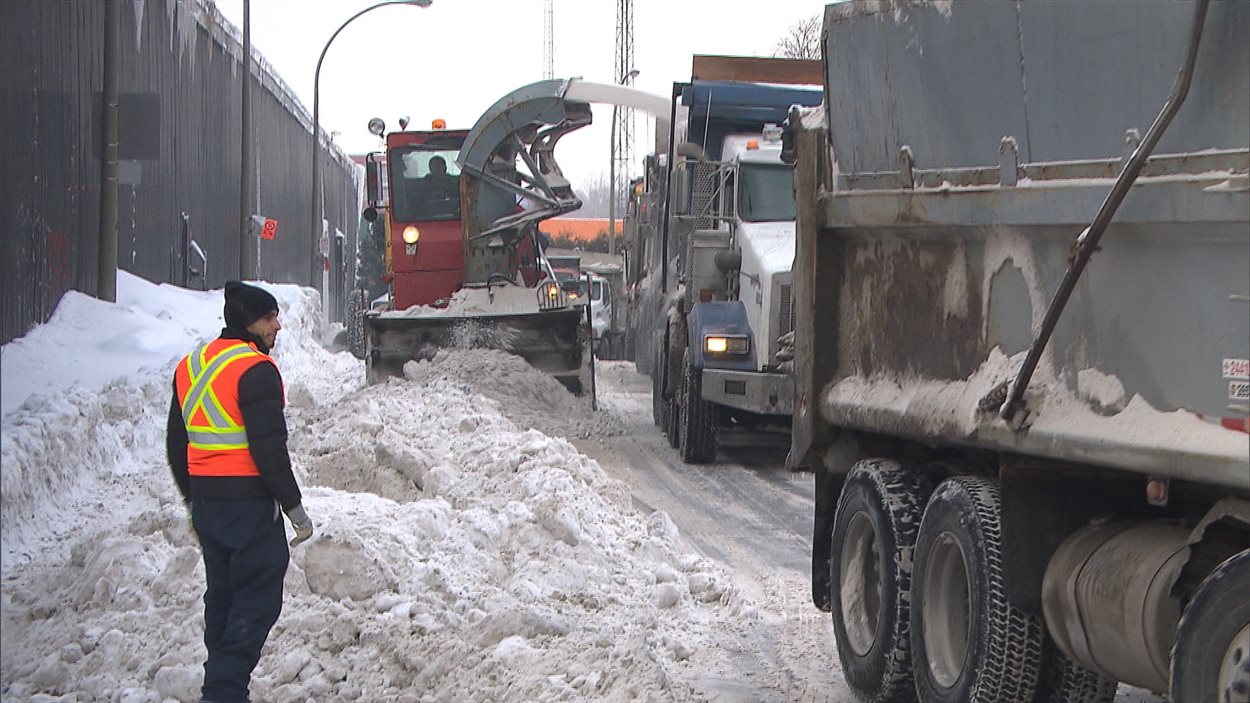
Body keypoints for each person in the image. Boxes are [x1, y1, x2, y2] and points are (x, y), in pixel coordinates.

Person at [166, 280, 314, 703]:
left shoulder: (190, 366)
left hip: (209, 507)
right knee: (258, 598)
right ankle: (224, 691)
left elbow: (178, 443)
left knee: (225, 596)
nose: (278, 326)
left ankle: (223, 684)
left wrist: (193, 499)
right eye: (270, 318)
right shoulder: (255, 370)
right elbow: (269, 449)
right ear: (250, 323)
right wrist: (294, 509)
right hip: (248, 507)